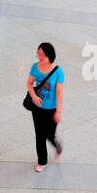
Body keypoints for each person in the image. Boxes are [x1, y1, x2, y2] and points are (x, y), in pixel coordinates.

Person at [26, 43, 64, 172]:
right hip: (37, 108)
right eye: (38, 53)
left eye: (42, 54)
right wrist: (34, 97)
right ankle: (42, 161)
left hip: (52, 108)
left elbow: (59, 92)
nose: (39, 56)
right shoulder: (35, 68)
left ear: (49, 55)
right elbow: (29, 83)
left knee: (50, 134)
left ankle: (57, 146)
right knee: (39, 135)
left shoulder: (58, 72)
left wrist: (58, 111)